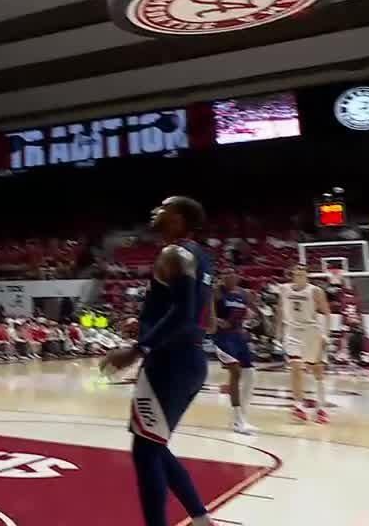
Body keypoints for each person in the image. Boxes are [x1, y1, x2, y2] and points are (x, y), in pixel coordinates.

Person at [100, 196, 215, 526]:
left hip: (169, 363)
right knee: (153, 445)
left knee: (146, 451)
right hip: (191, 360)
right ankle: (201, 518)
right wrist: (148, 322)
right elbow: (204, 319)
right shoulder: (202, 256)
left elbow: (184, 313)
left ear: (177, 218)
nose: (155, 210)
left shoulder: (174, 252)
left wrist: (139, 348)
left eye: (163, 207)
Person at [275, 264, 332, 423]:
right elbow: (280, 310)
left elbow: (327, 313)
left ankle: (321, 408)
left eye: (302, 273)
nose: (299, 275)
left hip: (311, 332)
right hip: (292, 332)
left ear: (307, 275)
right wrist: (278, 332)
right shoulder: (284, 289)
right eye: (296, 273)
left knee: (318, 371)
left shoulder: (315, 291)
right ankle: (298, 406)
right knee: (295, 368)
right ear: (292, 274)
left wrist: (326, 335)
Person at [210, 273, 257, 434]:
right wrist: (216, 321)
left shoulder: (243, 294)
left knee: (250, 375)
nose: (229, 278)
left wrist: (250, 315)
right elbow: (205, 313)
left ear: (237, 278)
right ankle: (238, 421)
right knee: (235, 372)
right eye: (226, 275)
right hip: (222, 337)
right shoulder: (216, 292)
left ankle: (241, 417)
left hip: (238, 337)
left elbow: (252, 312)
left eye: (233, 275)